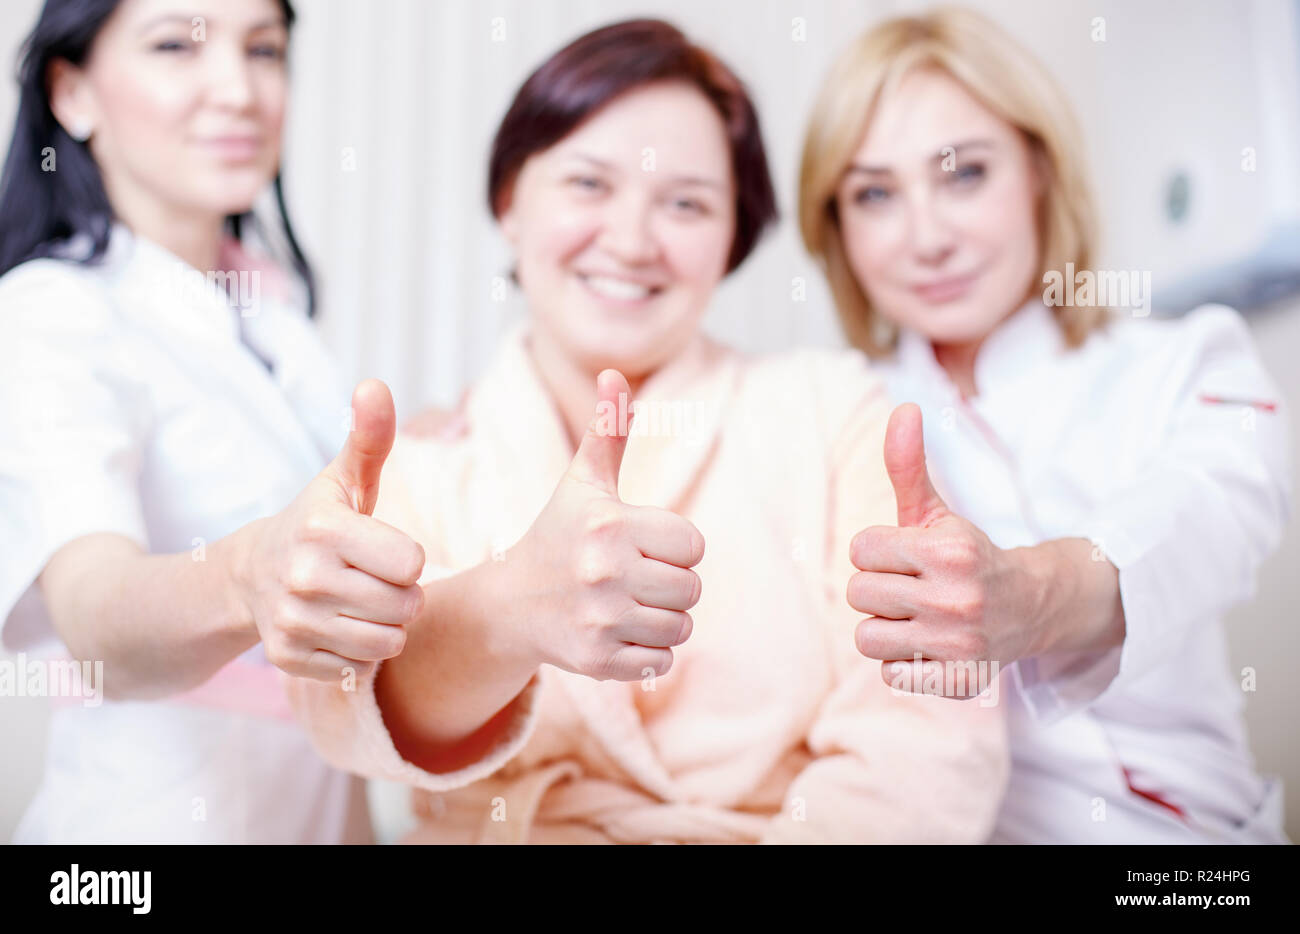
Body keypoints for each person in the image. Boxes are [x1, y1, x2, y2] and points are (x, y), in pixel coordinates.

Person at [285, 18, 1009, 845]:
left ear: (733, 237)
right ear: (510, 202)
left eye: (687, 203)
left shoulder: (830, 412)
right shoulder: (421, 461)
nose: (631, 241)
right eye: (589, 185)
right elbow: (341, 706)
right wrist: (509, 608)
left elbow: (925, 749)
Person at [0, 0, 533, 842]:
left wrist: (420, 470)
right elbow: (95, 616)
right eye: (176, 44)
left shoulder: (271, 316)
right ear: (72, 93)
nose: (239, 90)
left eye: (265, 50)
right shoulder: (52, 314)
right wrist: (245, 573)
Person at [798, 7, 1291, 842]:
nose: (928, 237)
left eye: (964, 174)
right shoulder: (829, 411)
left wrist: (1030, 597)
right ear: (837, 229)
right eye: (875, 193)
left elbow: (1213, 516)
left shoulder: (1186, 362)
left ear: (1039, 168)